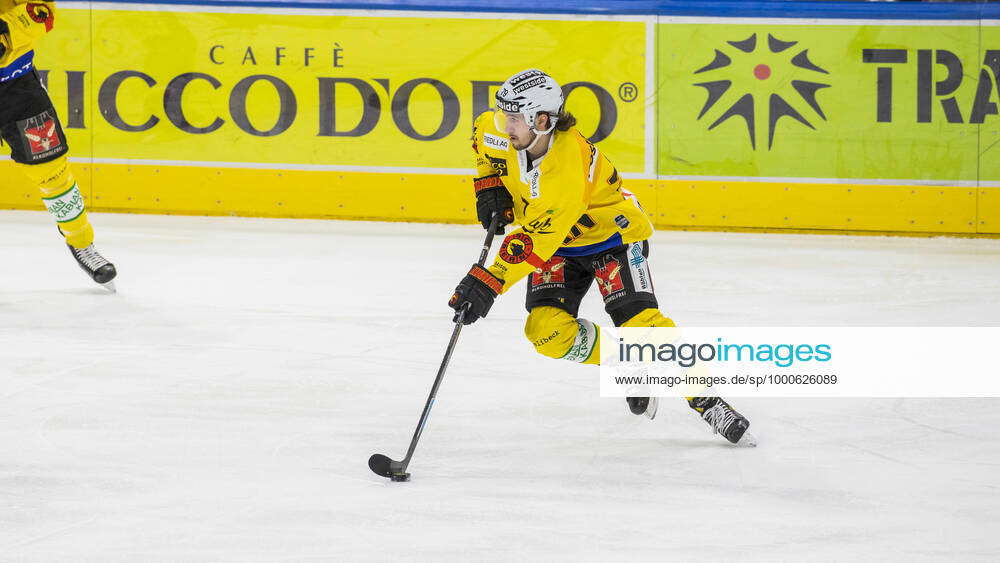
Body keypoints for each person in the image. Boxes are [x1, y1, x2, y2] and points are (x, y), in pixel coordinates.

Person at [448, 69, 751, 444]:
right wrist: (489, 186)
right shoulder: (496, 128)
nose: (503, 124)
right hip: (559, 244)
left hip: (611, 238)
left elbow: (536, 241)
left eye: (514, 118)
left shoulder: (565, 169)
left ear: (541, 120)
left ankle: (706, 400)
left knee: (643, 328)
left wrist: (487, 283)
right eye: (504, 115)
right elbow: (483, 144)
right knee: (546, 334)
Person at [1, 1, 116, 289]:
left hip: (18, 88)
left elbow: (42, 11)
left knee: (52, 172)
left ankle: (81, 243)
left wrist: (5, 32)